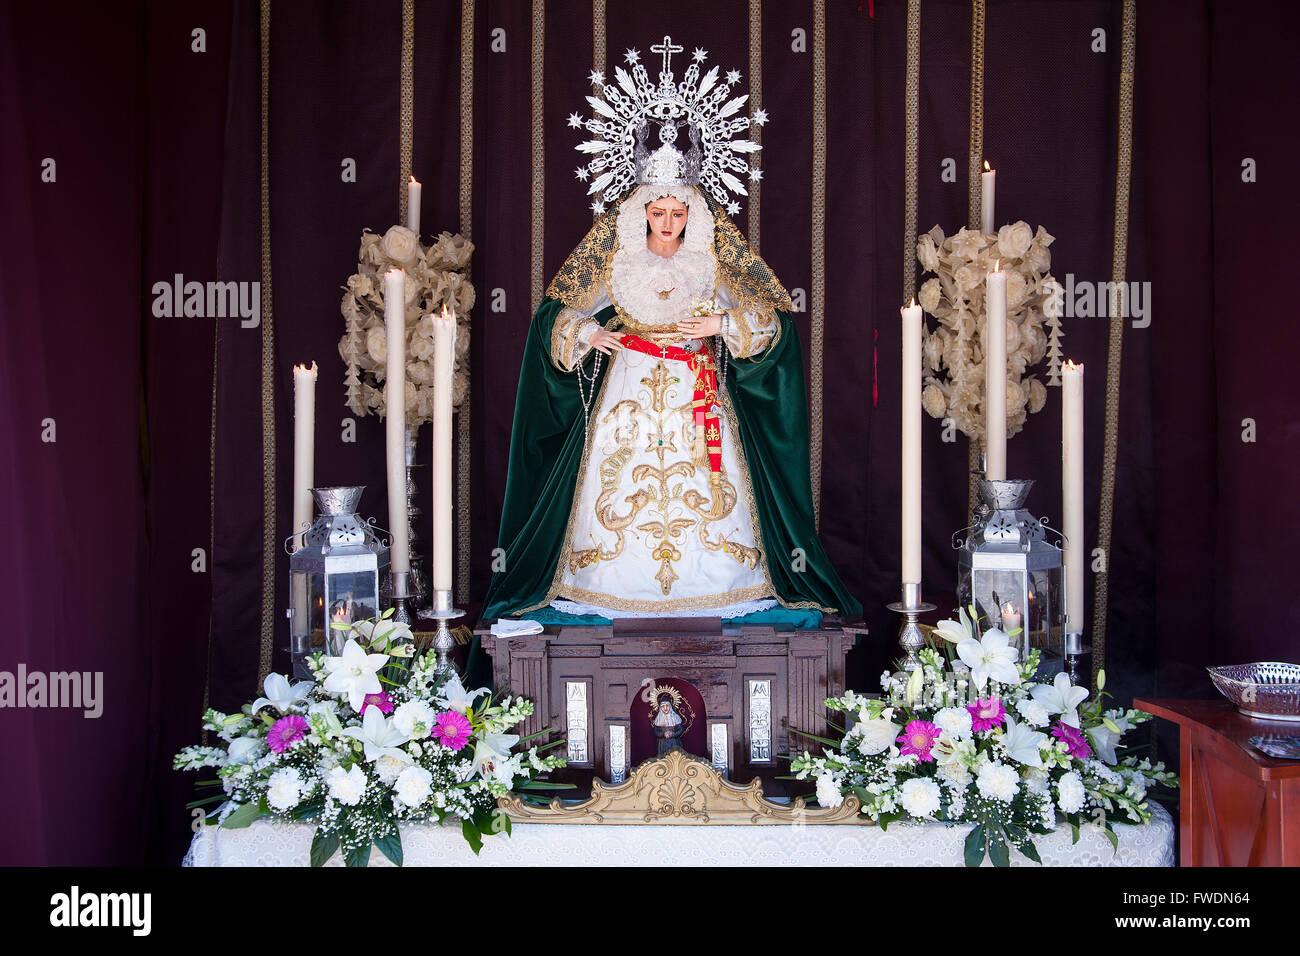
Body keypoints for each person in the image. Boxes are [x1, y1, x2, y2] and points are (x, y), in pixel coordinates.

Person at [480, 40, 859, 626]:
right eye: (657, 213)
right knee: (617, 476)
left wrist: (722, 324)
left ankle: (723, 580)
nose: (667, 224)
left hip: (698, 388)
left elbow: (774, 322)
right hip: (627, 389)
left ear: (693, 212)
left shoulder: (712, 259)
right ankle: (607, 579)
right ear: (640, 212)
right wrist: (588, 335)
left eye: (677, 213)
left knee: (710, 489)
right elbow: (553, 319)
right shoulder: (617, 261)